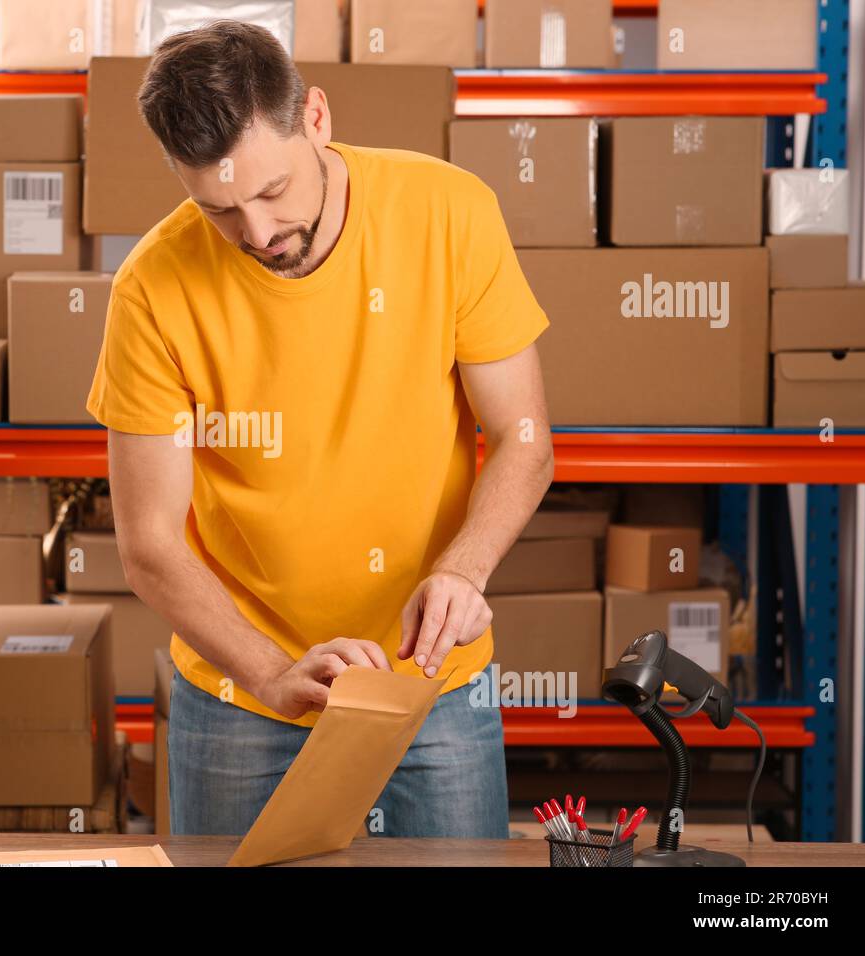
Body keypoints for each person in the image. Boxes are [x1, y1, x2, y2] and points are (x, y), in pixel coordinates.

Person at [87, 21, 554, 837]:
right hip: (240, 695)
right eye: (220, 210)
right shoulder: (151, 289)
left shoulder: (449, 211)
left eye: (272, 193)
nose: (259, 235)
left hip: (430, 684)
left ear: (318, 119)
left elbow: (524, 439)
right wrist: (269, 673)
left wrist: (464, 571)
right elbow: (149, 542)